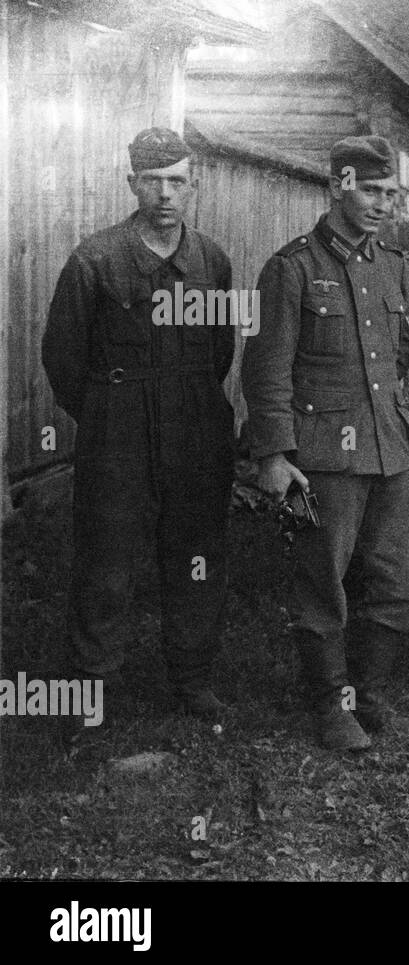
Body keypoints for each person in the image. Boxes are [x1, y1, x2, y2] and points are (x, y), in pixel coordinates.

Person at [41, 127, 235, 731]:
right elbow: (63, 358)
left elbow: (220, 353)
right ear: (132, 184)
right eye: (152, 181)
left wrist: (187, 399)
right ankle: (90, 694)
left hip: (196, 426)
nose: (165, 194)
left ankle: (193, 681)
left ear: (193, 186)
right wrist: (106, 415)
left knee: (197, 555)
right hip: (117, 429)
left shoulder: (212, 261)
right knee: (106, 561)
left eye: (177, 181)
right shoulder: (94, 260)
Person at [242, 135, 409, 752]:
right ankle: (330, 705)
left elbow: (399, 358)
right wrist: (273, 454)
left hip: (392, 448)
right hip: (325, 454)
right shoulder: (292, 268)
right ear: (338, 186)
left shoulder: (392, 266)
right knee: (323, 586)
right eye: (370, 191)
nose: (381, 205)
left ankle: (367, 693)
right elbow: (267, 369)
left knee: (404, 584)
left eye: (389, 194)